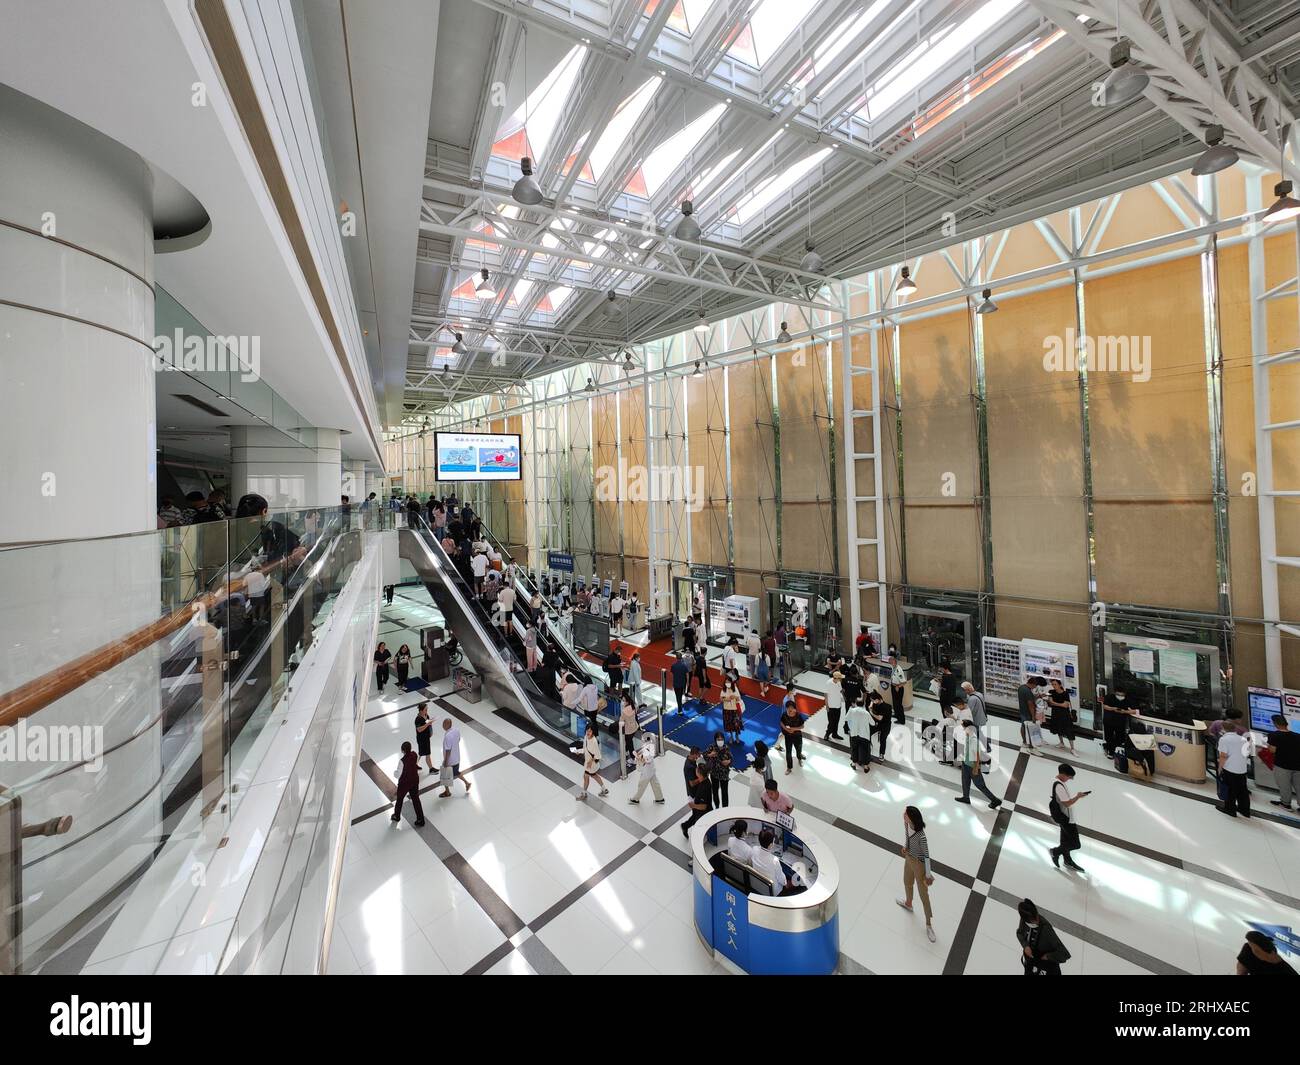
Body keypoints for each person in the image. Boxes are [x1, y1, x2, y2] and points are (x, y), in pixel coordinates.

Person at [896, 805, 936, 942]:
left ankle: (929, 924)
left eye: (905, 814)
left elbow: (927, 856)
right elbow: (907, 836)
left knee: (923, 895)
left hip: (919, 865)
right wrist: (906, 847)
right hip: (908, 858)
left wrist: (928, 874)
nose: (903, 815)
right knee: (907, 881)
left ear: (911, 817)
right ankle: (908, 903)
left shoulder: (921, 836)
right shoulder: (906, 824)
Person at [955, 709, 1002, 809]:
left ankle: (995, 800)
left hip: (972, 766)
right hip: (966, 763)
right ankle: (966, 797)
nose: (963, 729)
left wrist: (976, 768)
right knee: (965, 781)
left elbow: (977, 756)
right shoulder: (968, 736)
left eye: (963, 727)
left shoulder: (973, 740)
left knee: (980, 785)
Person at [1049, 764, 1089, 870]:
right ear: (1062, 774)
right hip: (1066, 818)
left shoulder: (1059, 782)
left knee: (1065, 841)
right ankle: (1055, 852)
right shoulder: (1059, 786)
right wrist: (1078, 796)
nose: (1070, 779)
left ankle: (1067, 861)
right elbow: (1067, 803)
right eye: (1069, 777)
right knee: (1075, 844)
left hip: (1064, 817)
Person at [1016, 899, 1070, 975]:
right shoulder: (1024, 920)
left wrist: (1048, 956)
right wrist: (1026, 946)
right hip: (1031, 965)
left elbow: (1064, 954)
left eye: (1036, 915)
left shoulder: (1046, 929)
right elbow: (1019, 933)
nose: (1037, 920)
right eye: (1033, 920)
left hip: (1046, 968)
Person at [1218, 718, 1253, 818]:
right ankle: (1244, 810)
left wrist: (1220, 768)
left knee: (1230, 790)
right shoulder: (1243, 739)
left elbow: (1223, 756)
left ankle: (1230, 809)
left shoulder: (1224, 739)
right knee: (1242, 791)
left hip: (1230, 768)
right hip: (1242, 769)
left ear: (1223, 729)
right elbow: (1246, 754)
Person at [1266, 714, 1299, 811]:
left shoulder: (1274, 735)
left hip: (1282, 765)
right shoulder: (1297, 735)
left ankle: (1286, 804)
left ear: (1275, 724)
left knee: (1284, 785)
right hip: (1298, 765)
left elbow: (1272, 750)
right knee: (1299, 786)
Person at [749, 827, 794, 895]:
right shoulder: (774, 860)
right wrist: (786, 883)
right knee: (791, 882)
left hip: (758, 886)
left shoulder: (754, 849)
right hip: (774, 892)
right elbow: (782, 880)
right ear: (770, 844)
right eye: (773, 841)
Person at [391, 741, 425, 827]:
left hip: (404, 783)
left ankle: (397, 816)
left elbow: (398, 774)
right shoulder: (414, 754)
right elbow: (414, 765)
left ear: (403, 750)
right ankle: (420, 819)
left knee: (400, 799)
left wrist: (394, 773)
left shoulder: (402, 761)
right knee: (415, 799)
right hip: (414, 780)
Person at [438, 718, 472, 798]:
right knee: (456, 772)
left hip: (450, 761)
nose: (442, 725)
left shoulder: (448, 736)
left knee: (444, 776)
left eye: (444, 724)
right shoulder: (456, 730)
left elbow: (448, 750)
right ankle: (467, 783)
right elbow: (459, 739)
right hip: (457, 758)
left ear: (447, 725)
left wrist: (445, 762)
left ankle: (447, 792)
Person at [628, 732, 664, 805]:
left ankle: (635, 799)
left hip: (647, 771)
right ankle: (659, 798)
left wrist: (637, 756)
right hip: (651, 770)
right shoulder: (650, 746)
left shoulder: (648, 749)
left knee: (641, 785)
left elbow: (646, 760)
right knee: (655, 784)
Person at [681, 760, 712, 838]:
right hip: (698, 808)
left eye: (697, 770)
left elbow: (704, 806)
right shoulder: (705, 781)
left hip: (702, 811)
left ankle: (696, 836)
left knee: (698, 823)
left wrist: (693, 806)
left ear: (700, 774)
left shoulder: (704, 788)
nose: (695, 770)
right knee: (694, 817)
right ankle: (685, 826)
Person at [579, 724, 609, 800]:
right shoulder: (586, 737)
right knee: (593, 775)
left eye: (590, 731)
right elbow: (585, 749)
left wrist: (590, 761)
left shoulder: (594, 741)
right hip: (588, 763)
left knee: (586, 777)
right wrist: (579, 751)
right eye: (587, 731)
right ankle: (604, 789)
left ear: (593, 732)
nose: (588, 732)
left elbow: (598, 756)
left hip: (591, 764)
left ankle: (584, 793)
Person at [704, 731, 733, 808]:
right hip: (714, 774)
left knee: (724, 792)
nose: (720, 741)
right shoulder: (711, 747)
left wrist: (728, 761)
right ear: (715, 740)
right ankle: (717, 807)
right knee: (715, 791)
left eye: (721, 739)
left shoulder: (726, 748)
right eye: (718, 739)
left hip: (724, 774)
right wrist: (710, 755)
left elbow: (732, 758)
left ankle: (725, 808)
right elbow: (704, 755)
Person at [1046, 678, 1075, 753]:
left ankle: (1072, 748)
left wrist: (1054, 703)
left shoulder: (1065, 693)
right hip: (1055, 713)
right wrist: (1058, 704)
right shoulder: (1051, 692)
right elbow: (1050, 702)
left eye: (1055, 684)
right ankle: (1061, 742)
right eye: (1052, 684)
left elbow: (1065, 705)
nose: (1054, 686)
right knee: (1058, 727)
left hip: (1064, 714)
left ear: (1059, 685)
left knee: (1068, 729)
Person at [1017, 675, 1046, 749]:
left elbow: (1030, 699)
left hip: (1022, 710)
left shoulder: (1021, 688)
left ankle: (1024, 742)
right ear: (1033, 684)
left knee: (1023, 726)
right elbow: (1031, 705)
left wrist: (1039, 696)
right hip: (1027, 713)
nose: (1035, 687)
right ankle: (1029, 743)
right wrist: (1033, 716)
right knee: (1029, 728)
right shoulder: (1028, 691)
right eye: (1035, 686)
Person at [845, 696, 872, 771]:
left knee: (854, 749)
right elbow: (872, 723)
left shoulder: (852, 710)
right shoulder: (866, 713)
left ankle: (853, 764)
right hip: (864, 735)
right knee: (865, 750)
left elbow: (846, 718)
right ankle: (866, 767)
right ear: (863, 704)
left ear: (856, 703)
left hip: (854, 734)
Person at [779, 699, 804, 774]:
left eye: (791, 708)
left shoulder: (798, 715)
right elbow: (781, 722)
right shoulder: (784, 715)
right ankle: (789, 767)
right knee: (788, 752)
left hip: (797, 736)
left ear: (794, 708)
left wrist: (793, 729)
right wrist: (786, 729)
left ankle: (799, 759)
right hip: (788, 736)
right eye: (788, 708)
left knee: (798, 749)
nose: (789, 709)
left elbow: (802, 726)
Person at [720, 678, 743, 744]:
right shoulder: (723, 689)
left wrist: (735, 697)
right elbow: (720, 699)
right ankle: (731, 736)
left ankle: (737, 736)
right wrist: (726, 699)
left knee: (736, 724)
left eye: (728, 682)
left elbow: (739, 698)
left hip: (735, 709)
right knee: (729, 724)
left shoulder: (735, 688)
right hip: (727, 709)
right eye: (726, 682)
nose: (727, 684)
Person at [870, 690, 892, 759]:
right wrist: (871, 705)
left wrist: (871, 713)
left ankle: (881, 754)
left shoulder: (886, 707)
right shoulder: (876, 703)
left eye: (873, 701)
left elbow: (879, 718)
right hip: (877, 724)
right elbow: (871, 705)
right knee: (868, 733)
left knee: (883, 740)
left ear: (877, 699)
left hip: (885, 726)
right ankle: (868, 748)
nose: (872, 702)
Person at [414, 702, 435, 772]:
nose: (426, 711)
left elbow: (428, 724)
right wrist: (428, 724)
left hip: (426, 737)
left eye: (427, 709)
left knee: (421, 753)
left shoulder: (426, 715)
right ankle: (431, 768)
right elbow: (419, 729)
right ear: (421, 710)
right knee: (427, 753)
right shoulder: (418, 719)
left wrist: (430, 722)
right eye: (425, 710)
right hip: (422, 739)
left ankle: (414, 765)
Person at [824, 670, 844, 741]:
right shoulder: (828, 683)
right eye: (839, 678)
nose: (840, 679)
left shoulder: (838, 682)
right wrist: (827, 706)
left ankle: (835, 734)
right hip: (831, 706)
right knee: (831, 722)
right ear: (835, 678)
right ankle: (827, 734)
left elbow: (840, 690)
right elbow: (825, 695)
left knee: (836, 721)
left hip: (838, 705)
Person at [619, 695, 639, 766]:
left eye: (623, 700)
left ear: (627, 702)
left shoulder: (624, 711)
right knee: (629, 741)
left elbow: (621, 721)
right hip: (634, 727)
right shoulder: (634, 706)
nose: (622, 702)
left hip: (627, 730)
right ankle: (626, 751)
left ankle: (634, 758)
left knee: (630, 744)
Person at [889, 655, 907, 725]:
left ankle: (902, 720)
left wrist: (898, 686)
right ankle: (897, 714)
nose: (889, 661)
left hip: (898, 688)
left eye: (890, 660)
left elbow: (904, 682)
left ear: (894, 661)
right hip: (893, 686)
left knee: (898, 705)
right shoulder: (892, 667)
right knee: (894, 703)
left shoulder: (898, 670)